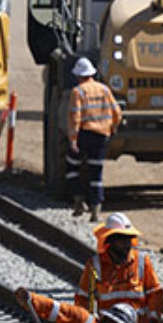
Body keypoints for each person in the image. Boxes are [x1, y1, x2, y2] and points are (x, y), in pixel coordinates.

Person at [66, 56, 122, 218]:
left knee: (71, 168)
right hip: (101, 136)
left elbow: (75, 117)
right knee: (96, 173)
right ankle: (96, 208)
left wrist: (73, 139)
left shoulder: (78, 92)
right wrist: (112, 129)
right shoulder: (104, 89)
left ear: (78, 75)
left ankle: (79, 200)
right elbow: (117, 112)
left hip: (84, 135)